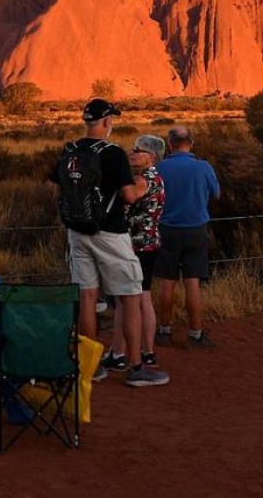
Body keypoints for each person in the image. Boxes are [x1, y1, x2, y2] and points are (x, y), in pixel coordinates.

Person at [49, 99, 169, 387]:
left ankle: (89, 367)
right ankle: (136, 367)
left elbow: (55, 194)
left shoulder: (70, 150)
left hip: (77, 232)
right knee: (130, 296)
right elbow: (128, 196)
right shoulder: (113, 153)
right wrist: (141, 188)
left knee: (87, 298)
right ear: (106, 122)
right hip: (111, 233)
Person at [102, 134, 166, 372]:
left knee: (126, 300)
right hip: (150, 243)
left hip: (134, 245)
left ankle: (119, 353)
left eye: (138, 150)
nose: (132, 152)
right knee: (143, 296)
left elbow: (127, 200)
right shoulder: (157, 178)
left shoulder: (141, 180)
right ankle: (147, 352)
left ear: (151, 157)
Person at [155, 125, 221, 349]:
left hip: (167, 230)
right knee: (192, 282)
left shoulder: (160, 167)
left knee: (167, 281)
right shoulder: (203, 167)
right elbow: (217, 194)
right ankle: (195, 334)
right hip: (196, 230)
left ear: (170, 144)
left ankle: (164, 331)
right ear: (191, 143)